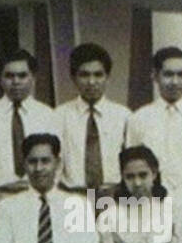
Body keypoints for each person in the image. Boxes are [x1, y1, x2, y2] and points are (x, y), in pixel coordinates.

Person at [125, 46, 182, 235]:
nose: (175, 81)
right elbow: (132, 166)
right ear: (155, 76)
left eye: (181, 75)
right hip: (152, 206)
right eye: (168, 74)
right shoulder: (139, 119)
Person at [0, 50, 59, 228]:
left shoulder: (48, 115)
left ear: (33, 78)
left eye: (22, 75)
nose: (16, 82)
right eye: (9, 76)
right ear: (0, 79)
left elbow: (59, 161)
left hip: (35, 195)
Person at [55, 43, 129, 195]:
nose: (91, 82)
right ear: (73, 77)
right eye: (84, 75)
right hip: (72, 195)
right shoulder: (59, 116)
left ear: (107, 77)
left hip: (112, 196)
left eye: (98, 75)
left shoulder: (123, 116)